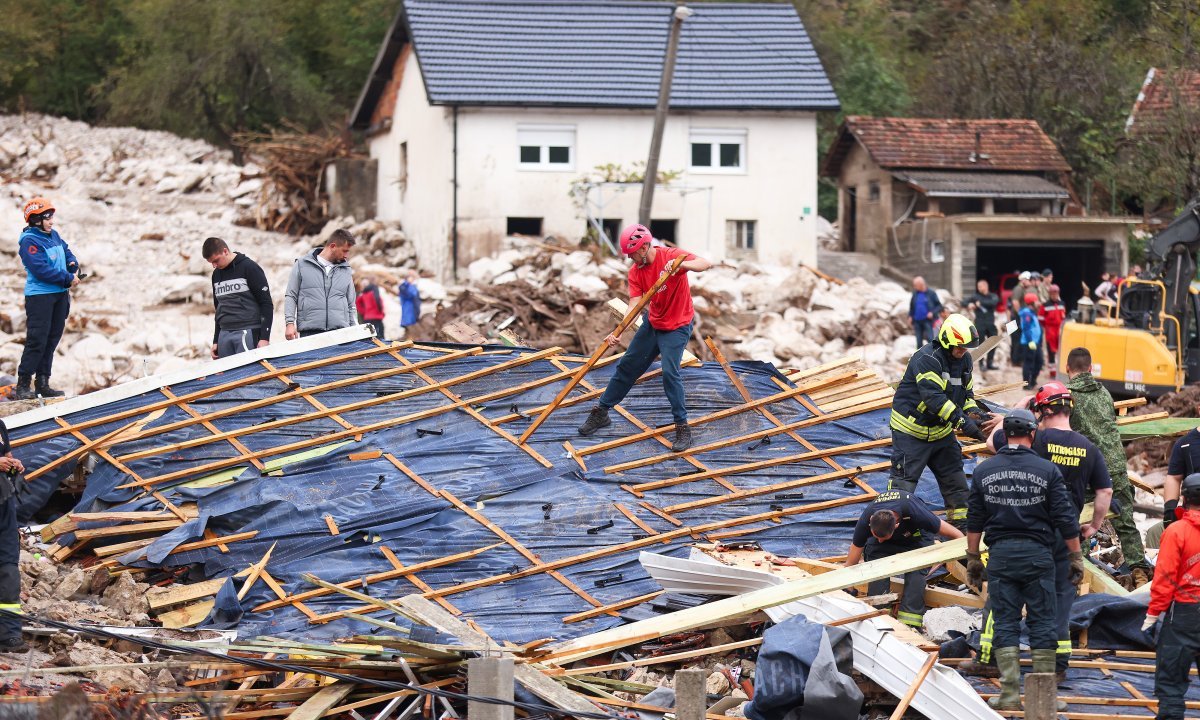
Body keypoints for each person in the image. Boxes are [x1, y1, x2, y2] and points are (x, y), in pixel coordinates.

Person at [977, 382, 1113, 677]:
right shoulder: (1088, 447)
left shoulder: (1035, 439)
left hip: (1030, 530)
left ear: (1043, 411)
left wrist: (1022, 406)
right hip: (1068, 535)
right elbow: (1105, 492)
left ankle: (991, 659)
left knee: (1005, 594)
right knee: (1061, 598)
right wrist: (1094, 525)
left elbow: (991, 444)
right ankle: (1056, 666)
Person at [966, 408, 1084, 711]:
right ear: (1032, 434)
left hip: (1002, 557)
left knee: (1005, 623)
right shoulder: (1047, 471)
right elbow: (1066, 519)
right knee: (1043, 622)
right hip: (1038, 556)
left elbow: (975, 519)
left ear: (1005, 435)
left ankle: (1007, 694)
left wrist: (973, 558)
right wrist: (1075, 556)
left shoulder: (983, 471)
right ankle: (1044, 696)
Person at [577, 224, 711, 452]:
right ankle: (601, 412)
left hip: (678, 325)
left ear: (645, 246)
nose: (630, 257)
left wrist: (682, 265)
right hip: (654, 322)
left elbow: (705, 263)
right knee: (627, 366)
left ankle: (682, 428)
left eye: (632, 253)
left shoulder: (671, 256)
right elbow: (634, 304)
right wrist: (618, 330)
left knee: (670, 371)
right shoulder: (635, 272)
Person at [887, 313, 988, 530]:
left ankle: (961, 528)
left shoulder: (965, 360)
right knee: (903, 485)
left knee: (956, 483)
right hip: (911, 432)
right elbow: (934, 399)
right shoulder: (927, 359)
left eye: (966, 348)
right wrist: (962, 422)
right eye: (960, 348)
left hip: (940, 432)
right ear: (946, 342)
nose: (963, 352)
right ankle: (894, 530)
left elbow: (967, 395)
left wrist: (976, 416)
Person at [1066, 347, 1153, 586]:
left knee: (1080, 520)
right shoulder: (1104, 392)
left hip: (1085, 469)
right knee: (1125, 520)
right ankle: (1139, 570)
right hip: (1114, 466)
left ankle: (1079, 575)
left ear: (1067, 369)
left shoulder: (1067, 396)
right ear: (1090, 368)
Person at [845, 489, 964, 628]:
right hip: (887, 533)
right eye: (876, 536)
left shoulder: (915, 511)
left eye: (882, 538)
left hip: (915, 538)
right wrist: (848, 586)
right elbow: (851, 562)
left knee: (916, 572)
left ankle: (909, 623)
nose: (880, 541)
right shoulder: (867, 519)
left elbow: (957, 535)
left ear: (896, 524)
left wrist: (969, 556)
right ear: (871, 521)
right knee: (875, 566)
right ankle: (879, 617)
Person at [1141, 472, 1200, 720]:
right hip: (1185, 611)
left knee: (1171, 684)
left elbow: (1165, 578)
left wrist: (1153, 613)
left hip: (1184, 614)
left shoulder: (1177, 532)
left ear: (1183, 498)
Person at [13, 198, 79, 400]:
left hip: (59, 295)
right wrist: (67, 278)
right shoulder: (29, 241)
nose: (51, 221)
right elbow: (40, 269)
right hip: (40, 297)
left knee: (51, 339)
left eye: (51, 217)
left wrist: (72, 263)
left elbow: (66, 250)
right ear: (35, 219)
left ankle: (42, 383)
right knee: (37, 340)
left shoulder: (53, 235)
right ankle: (23, 385)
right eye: (47, 217)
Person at [202, 237, 273, 359]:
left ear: (225, 251)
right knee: (228, 376)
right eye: (211, 263)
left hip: (247, 332)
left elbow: (266, 303)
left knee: (249, 374)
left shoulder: (249, 267)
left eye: (216, 261)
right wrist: (216, 340)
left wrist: (264, 338)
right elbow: (218, 309)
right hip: (224, 335)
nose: (214, 266)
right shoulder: (216, 274)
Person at [284, 229, 356, 339]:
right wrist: (289, 323)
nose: (347, 255)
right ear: (332, 246)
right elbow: (291, 295)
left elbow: (351, 304)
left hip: (341, 333)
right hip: (310, 332)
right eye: (344, 251)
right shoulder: (301, 265)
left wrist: (354, 329)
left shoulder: (346, 269)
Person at [0, 420, 27, 652]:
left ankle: (9, 634)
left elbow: (7, 455)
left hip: (4, 507)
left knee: (9, 573)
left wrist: (14, 464)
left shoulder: (0, 426)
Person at [966, 278, 1000, 371]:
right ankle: (981, 364)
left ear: (986, 286)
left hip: (990, 323)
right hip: (980, 323)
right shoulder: (975, 296)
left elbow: (993, 303)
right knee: (981, 344)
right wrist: (969, 304)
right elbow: (964, 302)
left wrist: (980, 303)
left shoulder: (992, 296)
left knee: (993, 342)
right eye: (978, 287)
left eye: (980, 286)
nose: (979, 288)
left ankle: (990, 363)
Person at [1039, 285, 1067, 379]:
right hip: (1050, 330)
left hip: (1059, 330)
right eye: (1053, 293)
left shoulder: (1062, 303)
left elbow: (1064, 317)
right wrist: (1047, 327)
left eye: (1056, 293)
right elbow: (1041, 319)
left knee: (1060, 350)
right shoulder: (1045, 305)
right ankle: (1052, 372)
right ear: (1050, 294)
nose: (1055, 295)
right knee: (1051, 351)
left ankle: (1060, 371)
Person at [909, 276, 942, 349]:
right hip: (917, 321)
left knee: (930, 340)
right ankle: (919, 358)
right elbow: (912, 306)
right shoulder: (915, 294)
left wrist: (932, 313)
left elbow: (939, 306)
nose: (914, 287)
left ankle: (933, 355)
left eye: (915, 285)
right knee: (919, 342)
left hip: (928, 321)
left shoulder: (931, 293)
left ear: (921, 284)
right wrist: (910, 316)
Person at [1009, 271, 1033, 367]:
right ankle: (1016, 361)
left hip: (1014, 317)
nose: (1030, 282)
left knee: (1016, 339)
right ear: (1024, 280)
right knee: (1017, 339)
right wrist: (1021, 315)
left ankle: (1015, 360)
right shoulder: (1018, 289)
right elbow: (1015, 302)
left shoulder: (1020, 289)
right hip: (1015, 318)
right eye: (1029, 280)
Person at [1019, 291, 1043, 390]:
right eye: (1036, 301)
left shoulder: (1032, 313)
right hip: (1029, 343)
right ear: (1032, 302)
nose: (1038, 303)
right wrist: (1030, 341)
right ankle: (1026, 384)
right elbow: (1026, 328)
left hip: (1035, 343)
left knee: (1039, 362)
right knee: (1028, 363)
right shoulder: (1026, 313)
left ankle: (1033, 381)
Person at [398, 270, 421, 339]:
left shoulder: (410, 286)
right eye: (412, 278)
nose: (413, 279)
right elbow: (411, 294)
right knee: (409, 325)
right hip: (409, 309)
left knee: (411, 327)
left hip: (413, 308)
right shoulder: (405, 286)